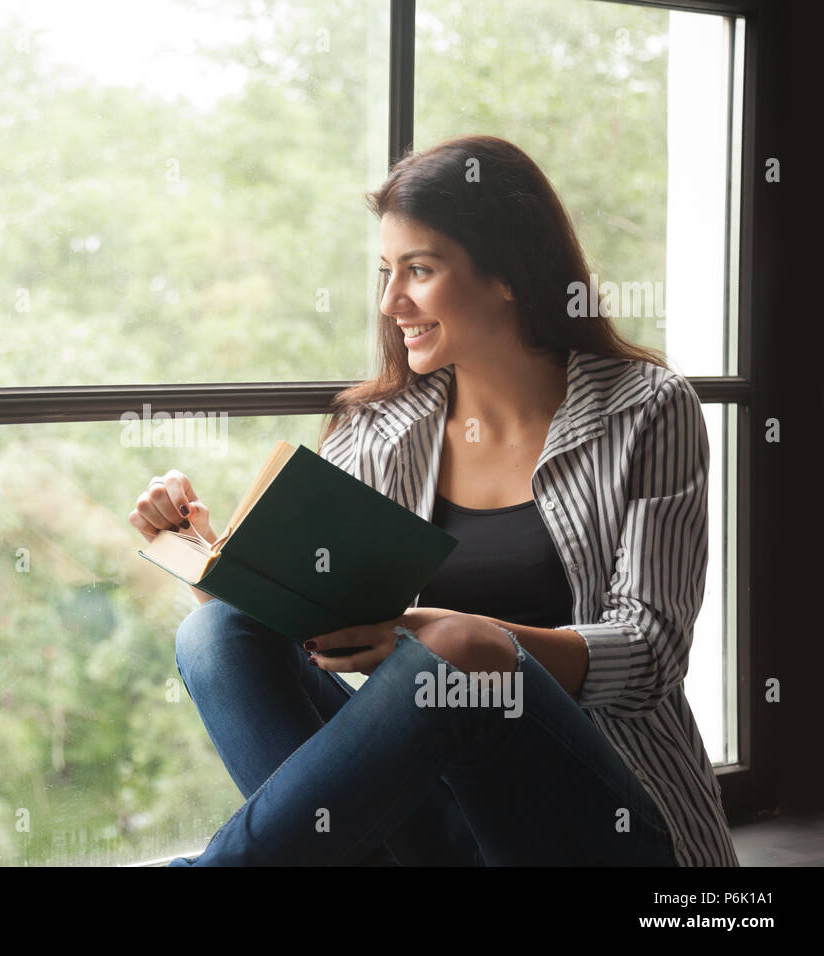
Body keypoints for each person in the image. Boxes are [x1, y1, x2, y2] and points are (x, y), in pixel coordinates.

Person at [128, 134, 739, 866]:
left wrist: (443, 633)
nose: (391, 302)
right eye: (386, 272)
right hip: (440, 829)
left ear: (508, 272)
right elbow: (314, 631)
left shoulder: (646, 409)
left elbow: (649, 653)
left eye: (418, 269)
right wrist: (221, 561)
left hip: (601, 823)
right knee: (218, 631)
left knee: (467, 649)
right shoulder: (376, 431)